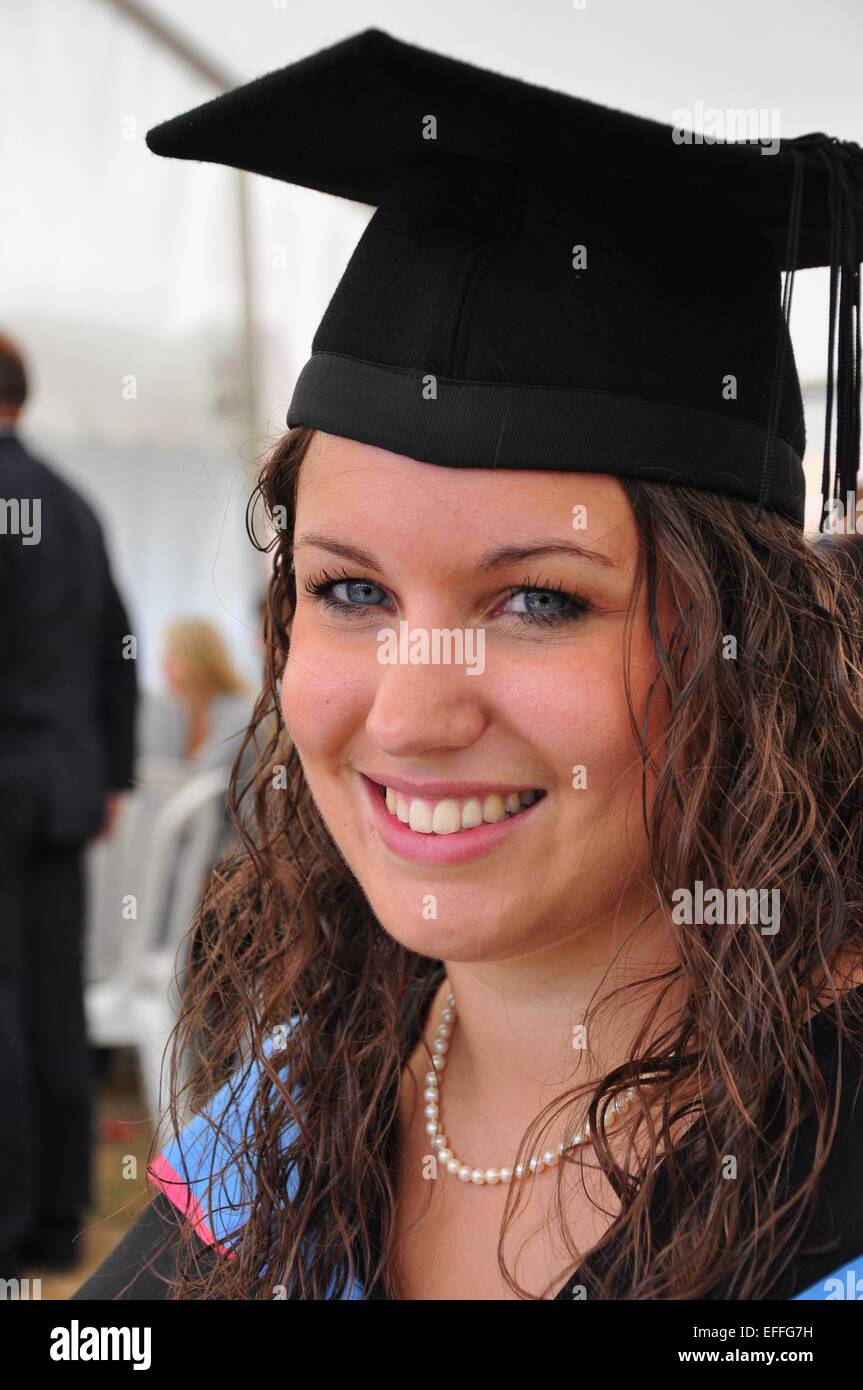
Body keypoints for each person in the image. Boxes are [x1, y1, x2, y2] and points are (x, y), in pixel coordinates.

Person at [73, 30, 863, 1301]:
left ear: (749, 652)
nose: (411, 710)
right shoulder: (295, 1091)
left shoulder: (824, 1196)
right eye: (349, 590)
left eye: (540, 599)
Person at [0, 331, 138, 1279]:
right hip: (64, 790)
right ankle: (54, 1221)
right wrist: (116, 776)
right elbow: (118, 649)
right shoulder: (76, 506)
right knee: (51, 1000)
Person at [160, 618, 253, 770]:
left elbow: (205, 774)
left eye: (172, 656)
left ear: (197, 660)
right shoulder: (178, 711)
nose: (164, 665)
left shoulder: (239, 714)